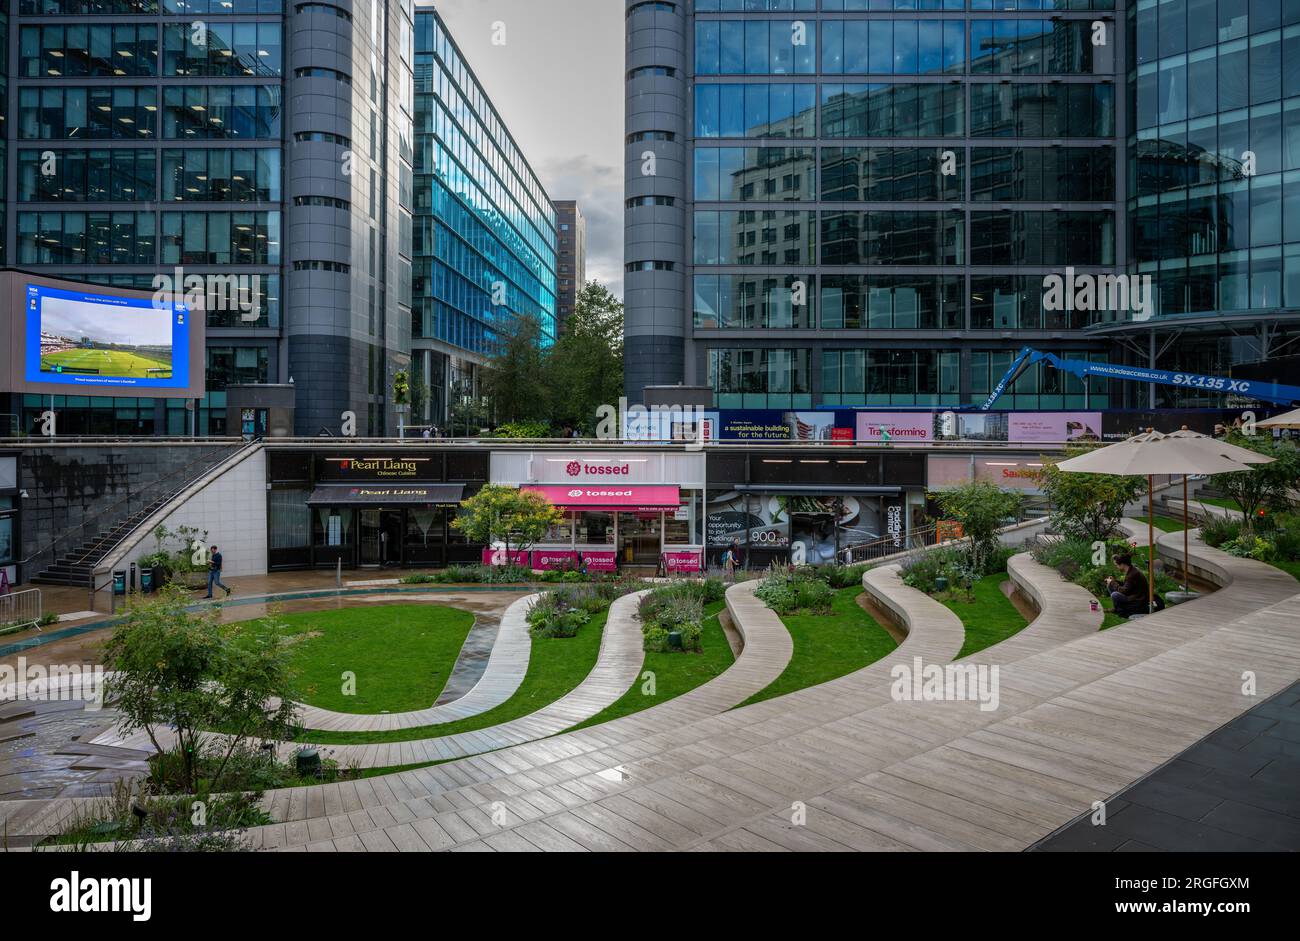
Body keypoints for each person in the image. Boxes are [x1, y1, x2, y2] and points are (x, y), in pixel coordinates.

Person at [1105, 553, 1161, 617]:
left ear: (1123, 564)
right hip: (1132, 593)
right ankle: (1117, 608)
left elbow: (1124, 591)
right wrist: (1114, 581)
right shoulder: (1131, 570)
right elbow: (1128, 586)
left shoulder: (1132, 574)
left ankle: (1119, 610)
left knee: (1114, 595)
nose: (1116, 567)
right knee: (1110, 585)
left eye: (1117, 565)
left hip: (1137, 598)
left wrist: (1113, 582)